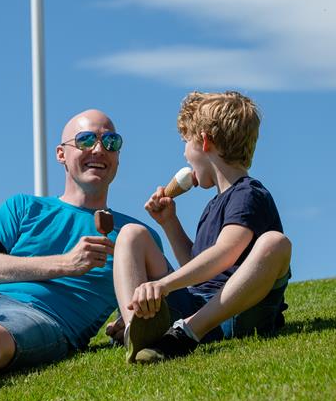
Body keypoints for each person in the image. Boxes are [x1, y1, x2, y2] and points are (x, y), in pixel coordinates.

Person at [0, 109, 164, 398]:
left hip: (41, 318)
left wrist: (130, 320)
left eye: (111, 142)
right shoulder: (23, 206)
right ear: (61, 154)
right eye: (85, 140)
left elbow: (165, 297)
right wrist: (65, 264)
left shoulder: (135, 236)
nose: (99, 149)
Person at [113, 91, 292, 363]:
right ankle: (136, 329)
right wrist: (169, 223)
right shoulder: (213, 204)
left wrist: (162, 285)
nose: (184, 154)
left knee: (275, 243)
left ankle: (185, 335)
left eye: (186, 142)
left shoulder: (249, 194)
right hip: (198, 305)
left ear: (205, 141)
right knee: (131, 234)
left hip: (238, 311)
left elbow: (225, 254)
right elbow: (200, 268)